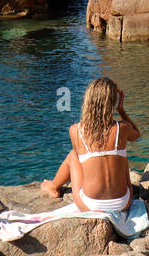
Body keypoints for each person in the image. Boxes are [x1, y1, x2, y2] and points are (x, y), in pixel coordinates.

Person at [41, 77, 141, 214]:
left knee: (73, 156)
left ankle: (53, 186)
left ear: (88, 100)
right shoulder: (122, 128)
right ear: (113, 102)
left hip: (90, 205)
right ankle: (53, 186)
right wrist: (121, 111)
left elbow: (82, 162)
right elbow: (136, 135)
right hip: (122, 202)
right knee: (120, 154)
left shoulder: (76, 130)